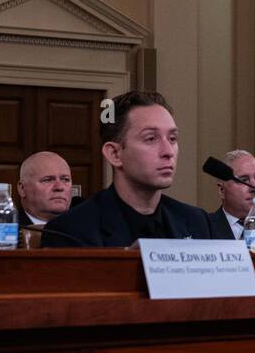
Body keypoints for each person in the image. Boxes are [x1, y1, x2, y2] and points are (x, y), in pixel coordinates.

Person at [39, 91, 209, 247]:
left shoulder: (197, 221)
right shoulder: (69, 231)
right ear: (114, 154)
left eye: (172, 138)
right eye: (151, 138)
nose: (168, 151)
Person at [18, 151, 74, 228]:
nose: (59, 187)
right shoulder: (4, 230)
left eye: (65, 179)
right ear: (22, 189)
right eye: (47, 180)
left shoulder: (86, 228)